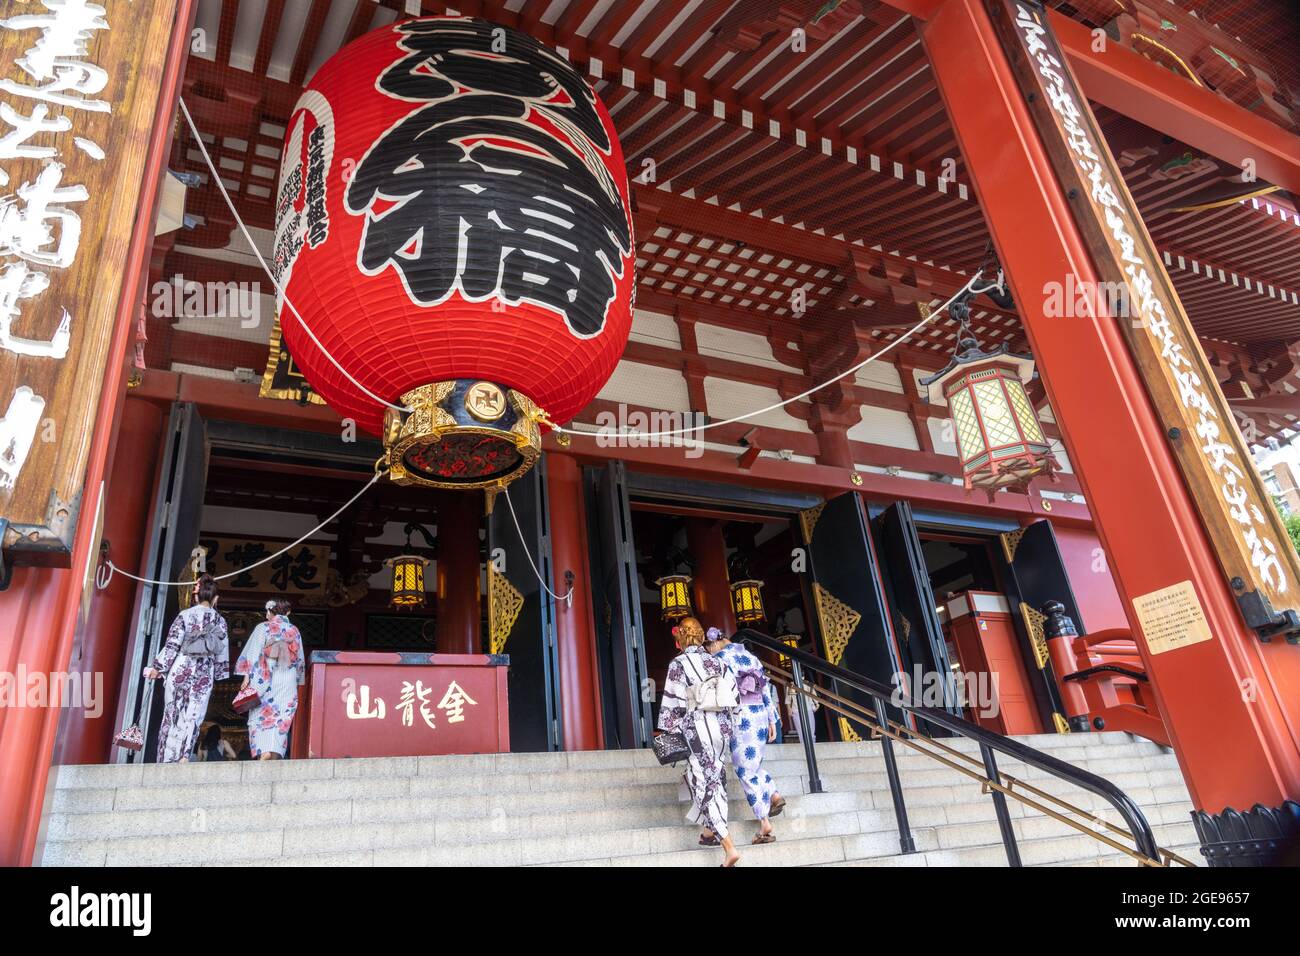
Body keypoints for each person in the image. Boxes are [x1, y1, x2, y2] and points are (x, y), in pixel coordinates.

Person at [657, 616, 741, 867]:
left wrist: (666, 729)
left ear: (681, 638)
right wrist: (731, 724)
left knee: (702, 781)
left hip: (697, 727)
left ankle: (728, 846)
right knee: (716, 776)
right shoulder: (717, 662)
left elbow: (673, 702)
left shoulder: (679, 663)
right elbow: (734, 695)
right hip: (722, 726)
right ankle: (708, 832)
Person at [706, 626, 786, 843]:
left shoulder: (720, 659)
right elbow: (765, 689)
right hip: (759, 714)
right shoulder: (751, 657)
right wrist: (772, 719)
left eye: (709, 648)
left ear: (714, 644)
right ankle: (773, 793)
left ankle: (764, 822)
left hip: (741, 718)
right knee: (754, 764)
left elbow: (721, 693)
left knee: (744, 770)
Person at [143, 574, 229, 763]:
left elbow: (172, 644)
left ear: (196, 597)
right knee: (194, 716)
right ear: (216, 599)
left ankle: (166, 757)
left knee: (173, 712)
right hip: (204, 673)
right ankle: (183, 755)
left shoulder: (185, 615)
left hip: (182, 668)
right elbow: (221, 653)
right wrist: (220, 673)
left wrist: (158, 668)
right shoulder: (220, 622)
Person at [235, 599, 306, 760]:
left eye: (267, 612)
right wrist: (299, 681)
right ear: (288, 613)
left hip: (265, 676)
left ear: (270, 612)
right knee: (281, 716)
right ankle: (274, 752)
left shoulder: (263, 628)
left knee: (261, 715)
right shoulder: (294, 630)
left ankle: (264, 750)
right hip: (287, 678)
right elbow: (299, 659)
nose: (266, 615)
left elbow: (253, 655)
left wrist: (247, 676)